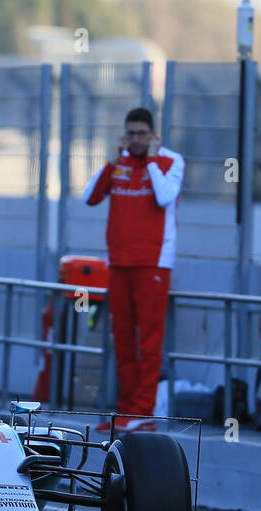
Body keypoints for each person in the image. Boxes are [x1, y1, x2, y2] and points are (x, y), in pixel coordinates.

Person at [83, 107, 185, 433]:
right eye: (131, 134)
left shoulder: (171, 161)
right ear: (125, 135)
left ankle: (144, 410)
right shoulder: (119, 162)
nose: (136, 140)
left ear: (154, 135)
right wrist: (113, 162)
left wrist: (152, 160)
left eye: (143, 134)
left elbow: (166, 196)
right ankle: (126, 408)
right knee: (123, 340)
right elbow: (90, 198)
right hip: (119, 263)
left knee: (150, 341)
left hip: (153, 263)